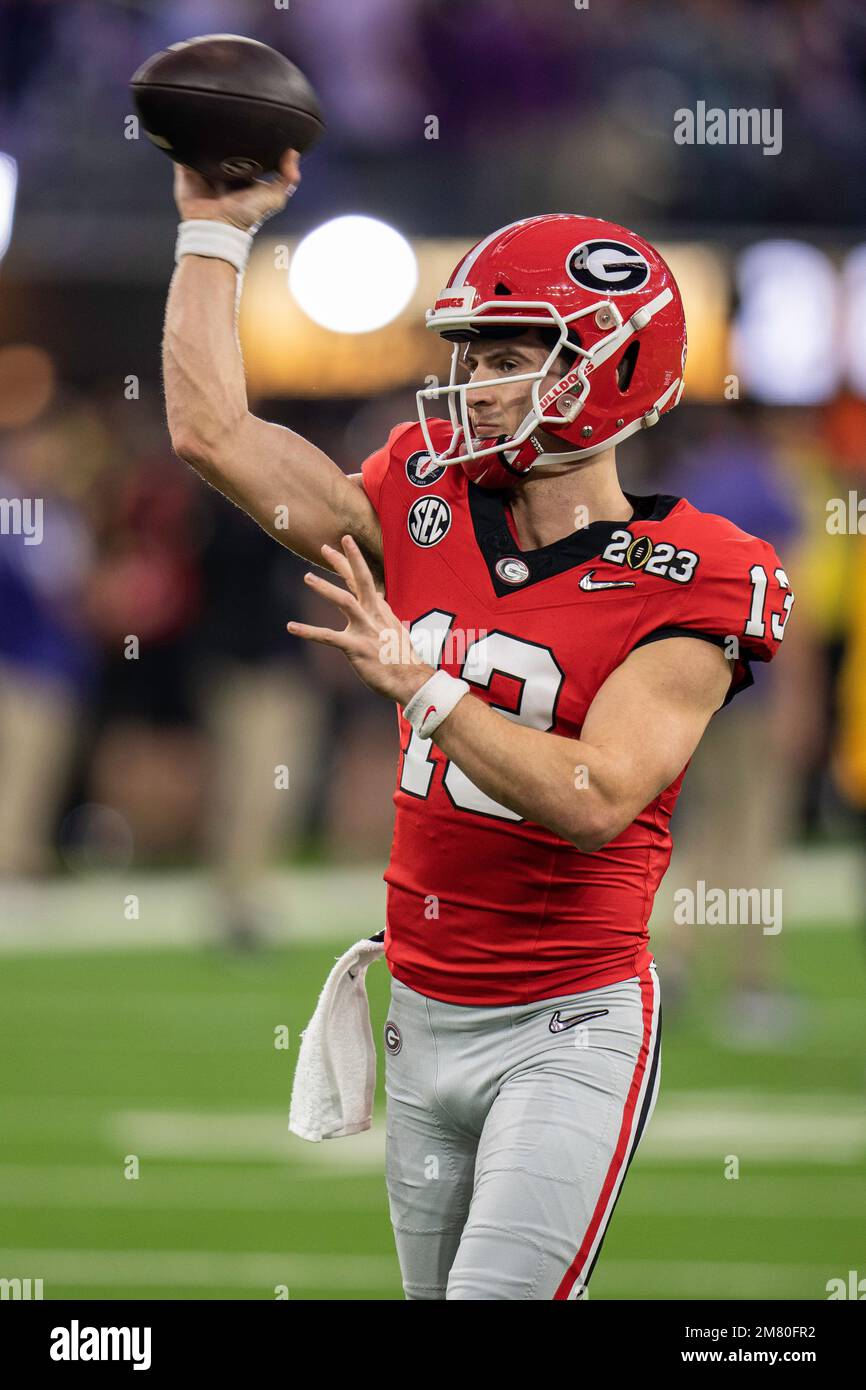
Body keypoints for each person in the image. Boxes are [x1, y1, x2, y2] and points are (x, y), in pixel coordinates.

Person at [162, 151, 794, 1300]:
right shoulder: (421, 498)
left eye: (506, 357)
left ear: (606, 369)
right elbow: (213, 434)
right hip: (423, 1007)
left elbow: (596, 796)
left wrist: (427, 690)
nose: (470, 383)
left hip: (565, 1022)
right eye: (468, 355)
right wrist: (212, 231)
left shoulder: (697, 569)